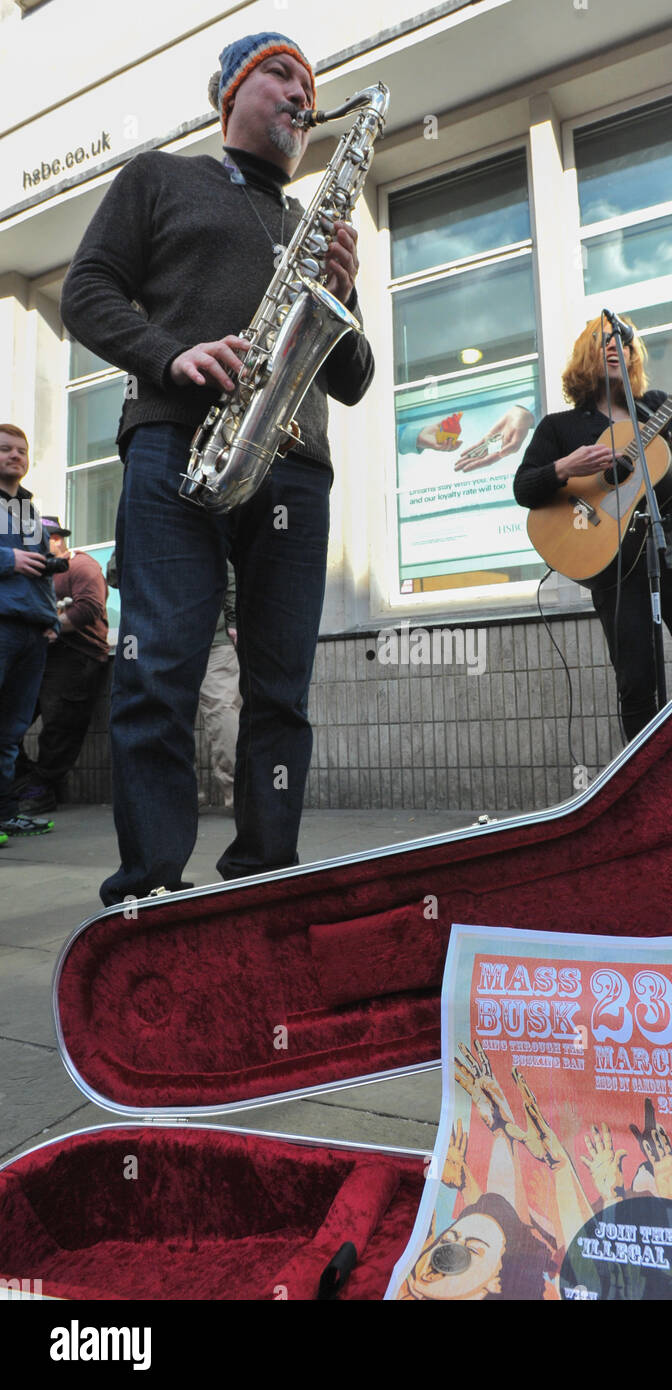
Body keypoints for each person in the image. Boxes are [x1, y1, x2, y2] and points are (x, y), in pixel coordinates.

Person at [60, 32, 374, 905]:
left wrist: (344, 297)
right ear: (229, 92)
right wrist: (169, 356)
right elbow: (86, 291)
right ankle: (148, 890)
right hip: (175, 445)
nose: (301, 93)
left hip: (294, 467)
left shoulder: (314, 226)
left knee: (281, 690)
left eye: (310, 84)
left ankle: (267, 879)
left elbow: (352, 378)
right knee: (157, 672)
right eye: (281, 73)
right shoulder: (160, 178)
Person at [513, 317, 672, 739]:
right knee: (636, 685)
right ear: (585, 353)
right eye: (604, 340)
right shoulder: (560, 428)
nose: (616, 347)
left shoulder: (657, 406)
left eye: (624, 343)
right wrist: (564, 467)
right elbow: (524, 488)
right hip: (616, 571)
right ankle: (647, 792)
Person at [15, 517, 109, 815]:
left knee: (59, 726)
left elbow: (89, 607)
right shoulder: (35, 572)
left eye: (41, 539)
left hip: (77, 655)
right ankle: (27, 780)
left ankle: (42, 788)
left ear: (56, 539)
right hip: (40, 655)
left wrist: (52, 622)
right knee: (9, 720)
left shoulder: (80, 566)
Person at [0, 425, 58, 839]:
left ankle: (4, 814)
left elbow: (37, 570)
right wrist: (8, 558)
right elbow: (19, 561)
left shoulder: (28, 509)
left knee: (11, 732)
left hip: (32, 629)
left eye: (21, 450)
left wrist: (51, 619)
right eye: (4, 449)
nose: (14, 456)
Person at [197, 561, 241, 810]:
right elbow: (228, 574)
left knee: (169, 716)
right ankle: (240, 793)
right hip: (215, 635)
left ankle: (178, 795)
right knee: (222, 709)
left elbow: (117, 573)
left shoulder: (145, 524)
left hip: (165, 636)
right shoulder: (206, 524)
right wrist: (233, 620)